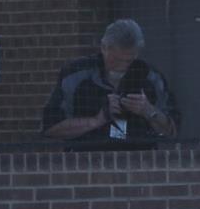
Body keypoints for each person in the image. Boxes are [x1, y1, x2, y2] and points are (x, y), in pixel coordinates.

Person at [41, 19, 180, 148]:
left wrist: (148, 110)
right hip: (86, 162)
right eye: (115, 60)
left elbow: (172, 131)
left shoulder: (151, 78)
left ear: (136, 54)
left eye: (128, 61)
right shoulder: (76, 75)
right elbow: (50, 128)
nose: (121, 66)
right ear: (103, 48)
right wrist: (98, 120)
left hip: (140, 162)